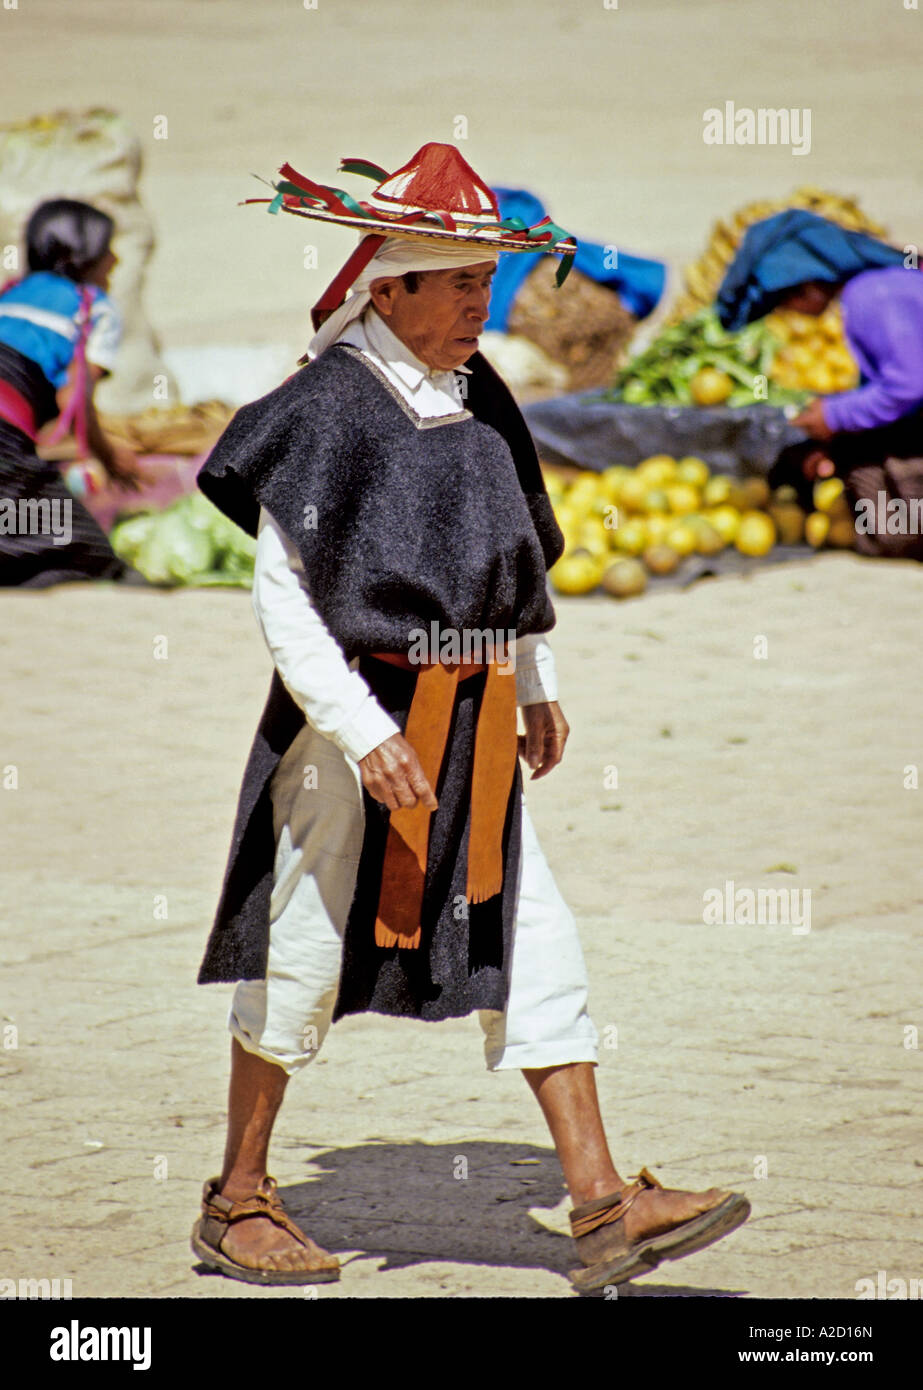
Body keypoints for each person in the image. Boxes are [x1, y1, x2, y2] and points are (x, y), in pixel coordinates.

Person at [192, 142, 750, 1292]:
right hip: (355, 727)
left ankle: (601, 1201)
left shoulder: (478, 389)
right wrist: (361, 730)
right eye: (453, 284)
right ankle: (238, 1195)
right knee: (300, 943)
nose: (475, 307)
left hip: (476, 711)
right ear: (385, 286)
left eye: (485, 284)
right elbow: (285, 606)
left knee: (536, 932)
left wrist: (531, 682)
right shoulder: (321, 410)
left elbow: (509, 555)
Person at [716, 209, 923, 558]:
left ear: (810, 284)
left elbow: (908, 387)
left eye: (786, 301)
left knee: (888, 520)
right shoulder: (882, 284)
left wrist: (834, 415)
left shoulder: (869, 295)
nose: (789, 313)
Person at [0, 197, 148, 587]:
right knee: (85, 549)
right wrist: (109, 453)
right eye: (107, 250)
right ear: (84, 256)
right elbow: (75, 401)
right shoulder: (92, 307)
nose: (115, 261)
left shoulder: (10, 293)